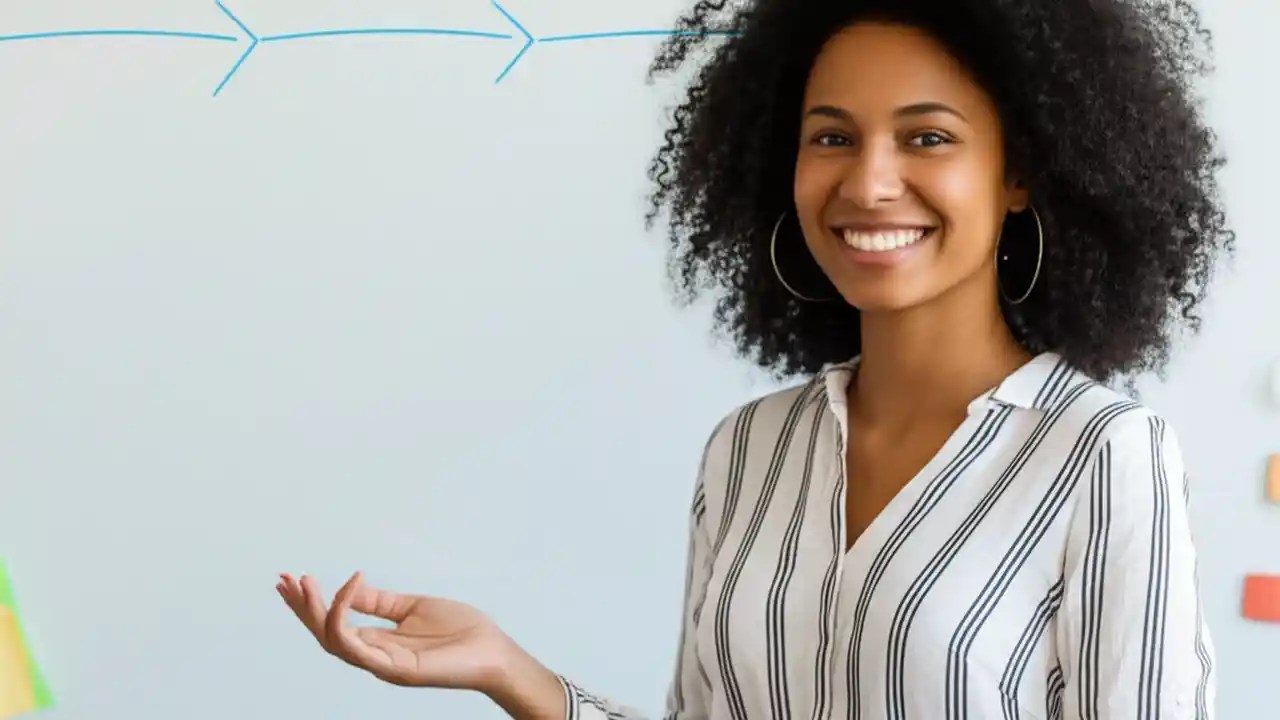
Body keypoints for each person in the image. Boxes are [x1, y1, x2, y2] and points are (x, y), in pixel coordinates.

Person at [276, 0, 1233, 717]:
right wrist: (510, 671)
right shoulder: (747, 450)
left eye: (926, 137)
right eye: (831, 138)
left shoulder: (1104, 456)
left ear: (1021, 171)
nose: (869, 181)